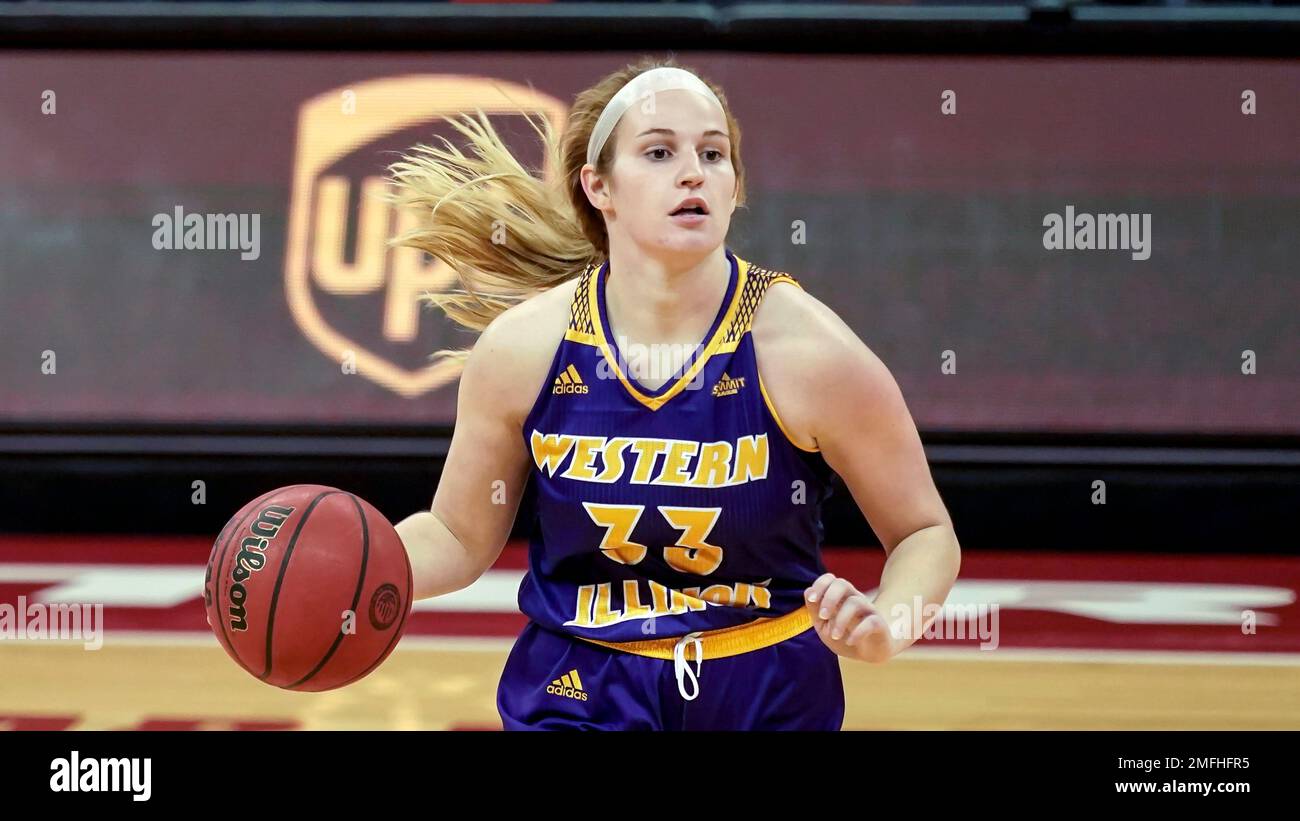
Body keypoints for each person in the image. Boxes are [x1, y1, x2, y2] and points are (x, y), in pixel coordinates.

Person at [389, 57, 960, 730]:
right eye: (660, 151)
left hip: (764, 680)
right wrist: (362, 569)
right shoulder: (523, 349)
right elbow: (457, 534)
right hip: (580, 681)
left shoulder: (809, 352)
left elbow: (926, 532)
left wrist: (888, 625)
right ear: (599, 187)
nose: (694, 171)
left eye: (713, 154)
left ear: (735, 186)